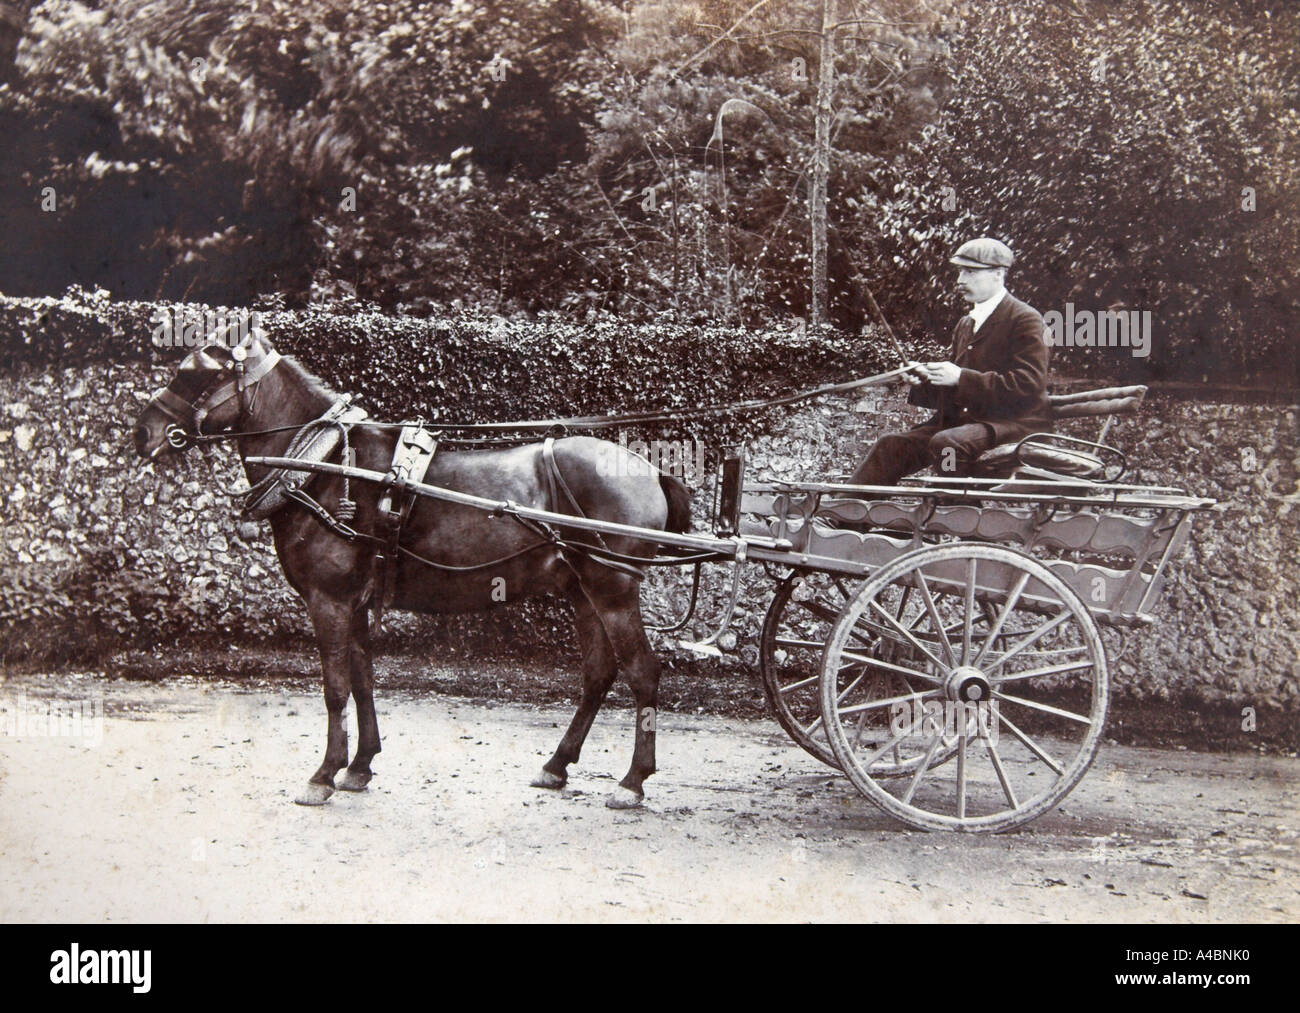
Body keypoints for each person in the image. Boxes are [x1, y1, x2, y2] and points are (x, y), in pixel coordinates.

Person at [849, 237, 1052, 486]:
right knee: (891, 445)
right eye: (959, 272)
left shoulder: (1026, 319)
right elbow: (955, 394)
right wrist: (925, 379)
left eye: (970, 272)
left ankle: (955, 512)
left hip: (1014, 425)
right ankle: (843, 516)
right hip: (965, 426)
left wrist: (960, 377)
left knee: (948, 445)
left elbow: (1029, 386)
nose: (960, 281)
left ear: (998, 274)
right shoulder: (966, 324)